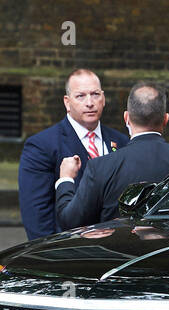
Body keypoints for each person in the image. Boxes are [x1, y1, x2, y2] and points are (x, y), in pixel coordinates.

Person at [54, 81, 169, 231]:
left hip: (117, 252)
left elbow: (70, 221)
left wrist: (66, 179)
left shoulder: (100, 167)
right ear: (166, 119)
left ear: (126, 118)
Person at [17, 69, 128, 240]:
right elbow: (36, 214)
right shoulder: (42, 146)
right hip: (69, 250)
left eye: (95, 94)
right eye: (81, 96)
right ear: (67, 102)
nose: (90, 102)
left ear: (104, 99)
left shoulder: (121, 142)